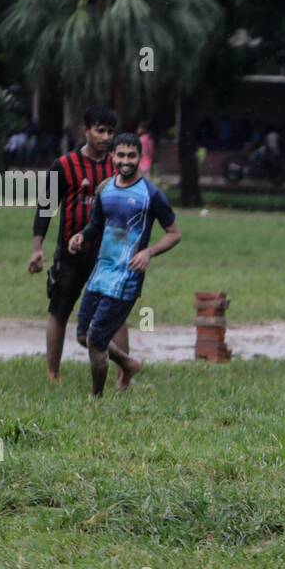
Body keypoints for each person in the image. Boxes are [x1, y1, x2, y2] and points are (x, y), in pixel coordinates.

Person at [67, 132, 181, 397]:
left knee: (96, 340)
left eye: (131, 155)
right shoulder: (105, 189)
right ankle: (128, 364)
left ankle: (95, 398)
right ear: (112, 157)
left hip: (127, 277)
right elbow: (96, 225)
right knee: (83, 335)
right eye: (121, 155)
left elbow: (175, 233)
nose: (126, 160)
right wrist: (81, 236)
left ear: (140, 158)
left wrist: (149, 252)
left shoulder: (151, 195)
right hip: (101, 273)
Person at [27, 105, 123, 384]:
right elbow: (45, 208)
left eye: (110, 132)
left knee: (116, 313)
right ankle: (53, 374)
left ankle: (123, 377)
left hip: (108, 254)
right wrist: (37, 248)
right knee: (60, 311)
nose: (106, 137)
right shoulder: (65, 165)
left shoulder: (117, 165)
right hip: (71, 255)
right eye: (100, 130)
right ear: (86, 131)